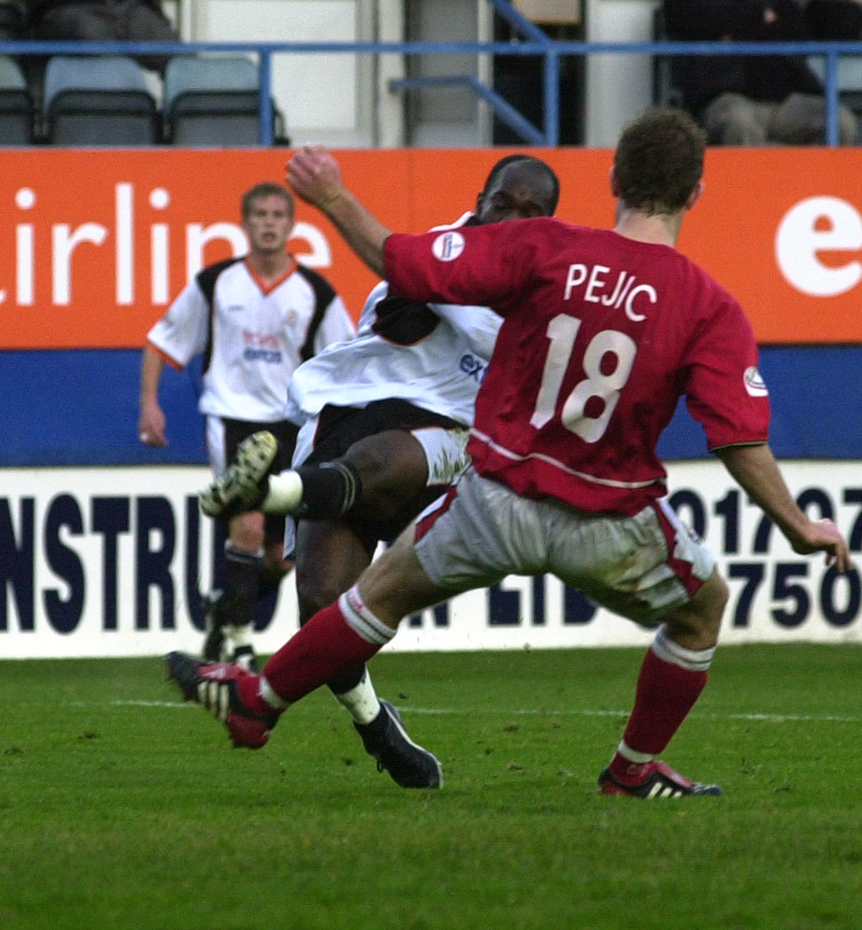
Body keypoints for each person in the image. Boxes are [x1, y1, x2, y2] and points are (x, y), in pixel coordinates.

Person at [165, 108, 852, 799]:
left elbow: (401, 260)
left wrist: (335, 195)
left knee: (375, 598)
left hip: (497, 498)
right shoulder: (707, 305)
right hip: (608, 516)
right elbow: (737, 438)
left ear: (613, 180)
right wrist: (799, 525)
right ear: (696, 193)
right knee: (703, 610)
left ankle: (259, 700)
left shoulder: (546, 248)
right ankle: (631, 770)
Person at [198, 154, 559, 786]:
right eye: (503, 204)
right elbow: (473, 316)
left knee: (388, 461)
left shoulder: (548, 290)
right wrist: (335, 198)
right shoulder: (450, 251)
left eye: (530, 214)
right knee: (321, 605)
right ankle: (377, 728)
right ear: (480, 201)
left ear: (548, 226)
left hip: (448, 431)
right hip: (350, 409)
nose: (510, 221)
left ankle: (267, 492)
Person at [140, 182, 354, 672]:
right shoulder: (217, 284)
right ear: (244, 223)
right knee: (249, 524)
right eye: (259, 214)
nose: (269, 223)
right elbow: (161, 341)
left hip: (290, 425)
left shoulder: (315, 293)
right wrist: (149, 404)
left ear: (292, 225)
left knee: (281, 558)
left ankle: (224, 616)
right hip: (232, 417)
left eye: (278, 214)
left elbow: (344, 361)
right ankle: (239, 645)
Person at [663, 0, 858, 145]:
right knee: (740, 123)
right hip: (726, 97)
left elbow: (801, 28)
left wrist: (737, 29)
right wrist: (757, 16)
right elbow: (683, 16)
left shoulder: (782, 5)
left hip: (785, 100)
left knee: (840, 121)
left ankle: (813, 186)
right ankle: (748, 189)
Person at [27, 0, 179, 73]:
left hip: (128, 7)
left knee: (178, 57)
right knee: (102, 50)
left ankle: (188, 122)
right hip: (70, 7)